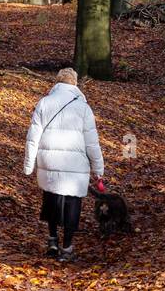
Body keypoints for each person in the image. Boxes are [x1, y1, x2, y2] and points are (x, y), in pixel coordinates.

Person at [22, 66, 104, 263]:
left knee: (51, 199)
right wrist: (98, 168)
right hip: (75, 167)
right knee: (71, 205)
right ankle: (67, 247)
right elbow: (92, 142)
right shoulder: (84, 108)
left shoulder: (44, 103)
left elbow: (33, 137)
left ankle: (52, 239)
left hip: (48, 162)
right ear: (75, 84)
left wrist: (28, 165)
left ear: (57, 82)